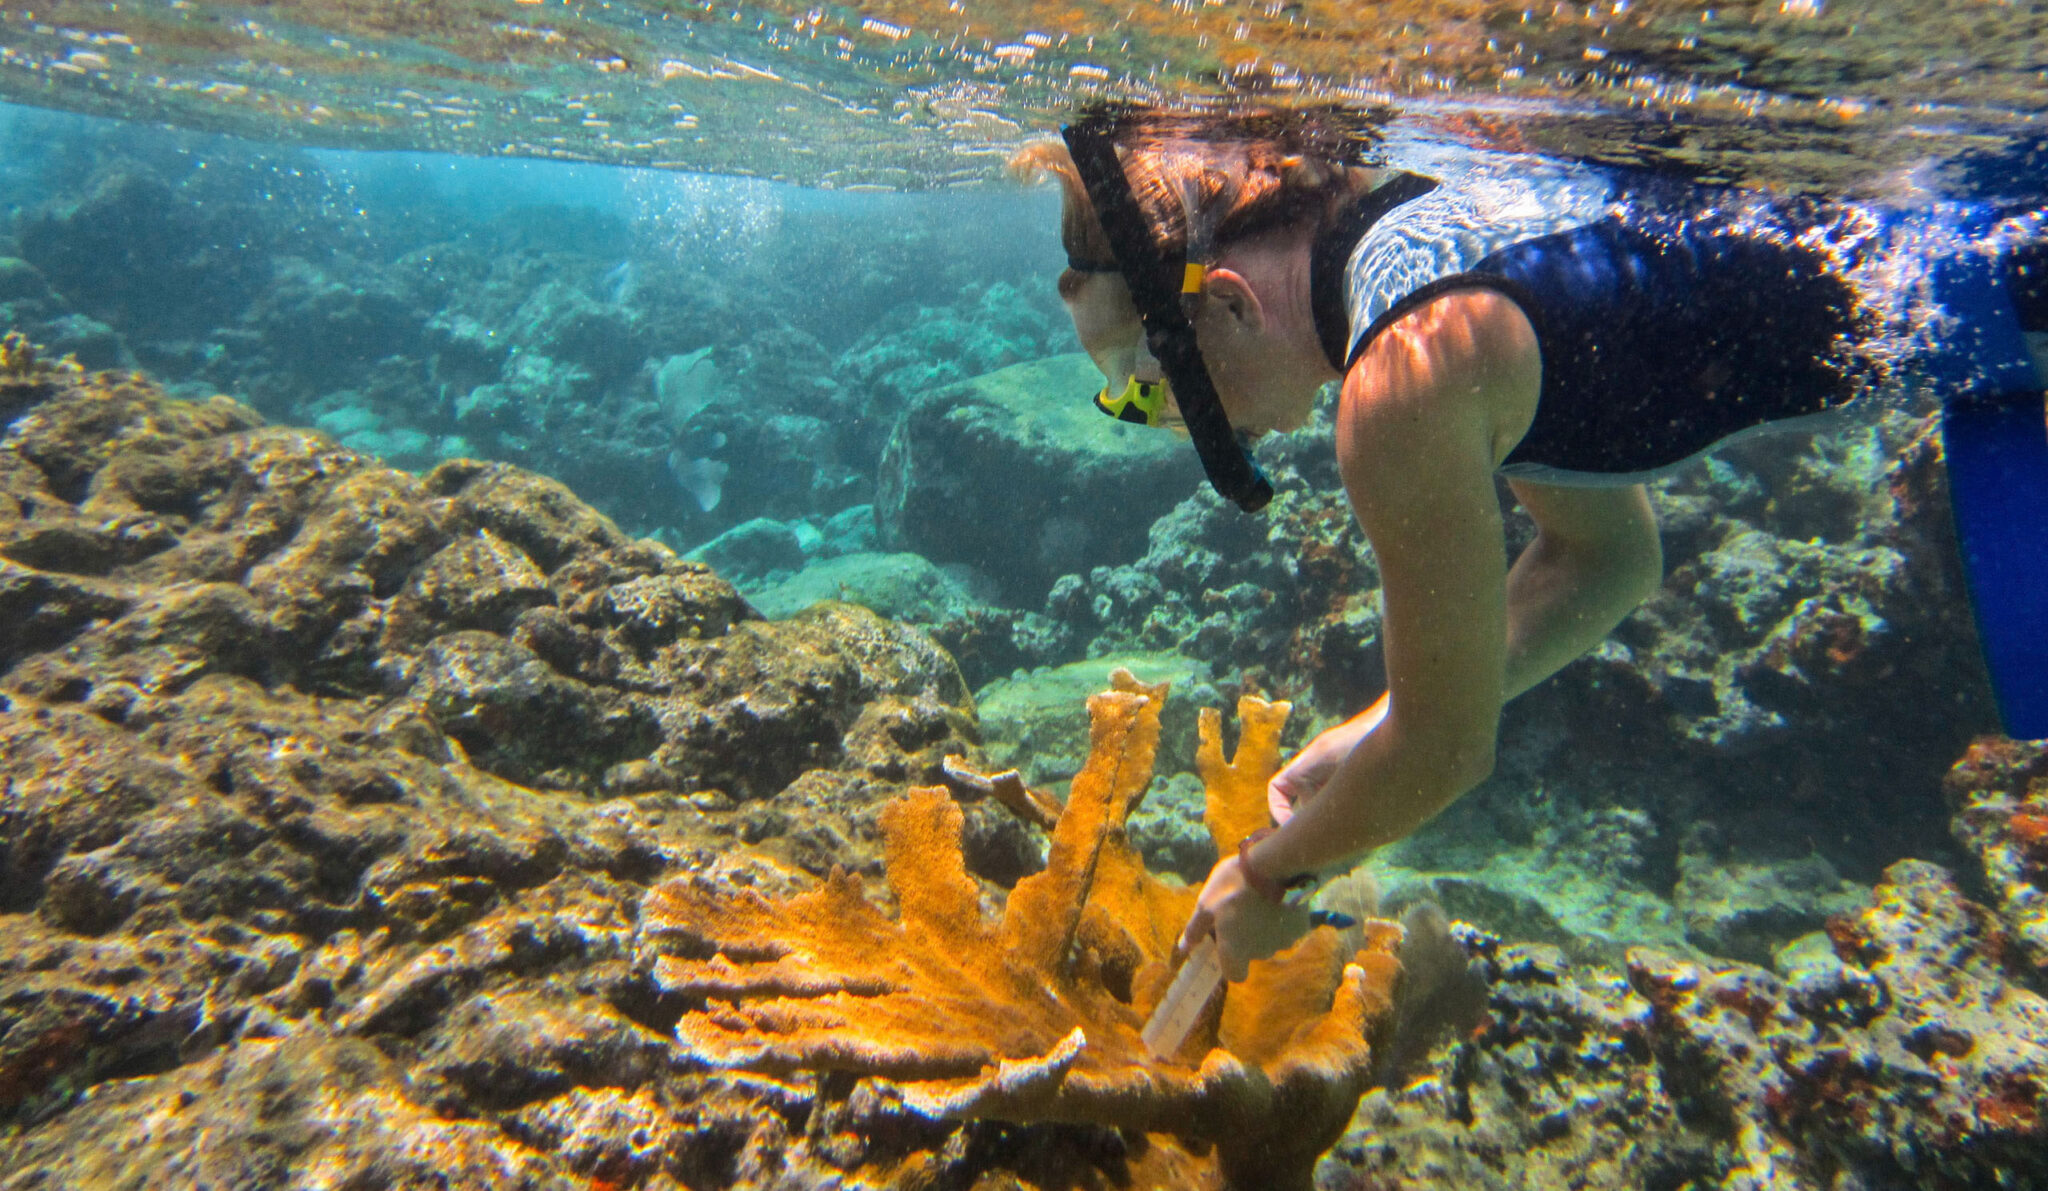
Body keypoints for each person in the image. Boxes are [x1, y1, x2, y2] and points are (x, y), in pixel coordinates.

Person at [1011, 110, 2048, 983]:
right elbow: (1602, 560)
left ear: (1231, 303)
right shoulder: (1418, 252)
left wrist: (1267, 875)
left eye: (1141, 381)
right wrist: (1377, 728)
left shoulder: (1399, 384)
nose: (1152, 418)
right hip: (1989, 311)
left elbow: (1446, 752)